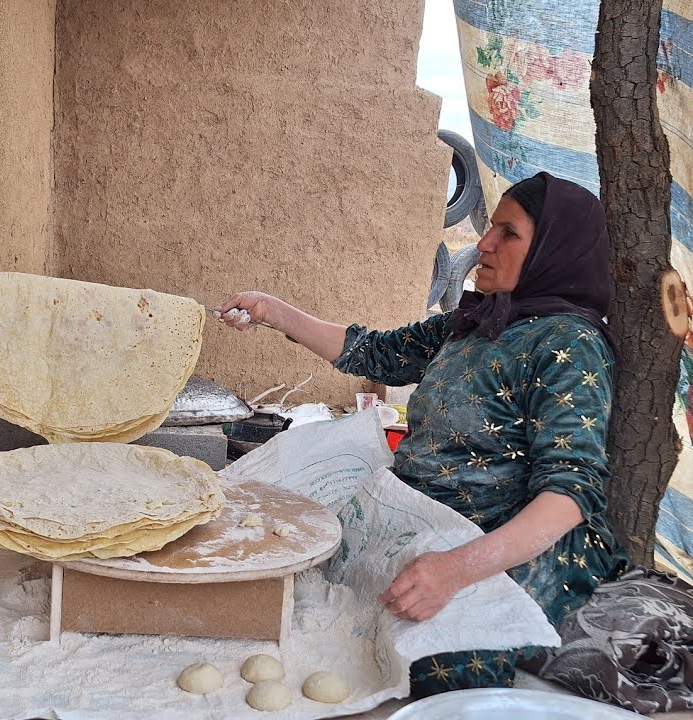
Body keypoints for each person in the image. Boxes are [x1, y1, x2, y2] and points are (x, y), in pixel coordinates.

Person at [216, 172, 629, 696]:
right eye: (490, 228)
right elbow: (373, 352)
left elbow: (570, 493)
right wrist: (271, 310)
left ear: (553, 250)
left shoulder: (568, 345)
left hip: (508, 549)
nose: (484, 242)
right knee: (286, 564)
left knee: (430, 666)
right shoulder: (473, 323)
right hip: (426, 521)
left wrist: (458, 570)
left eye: (508, 232)